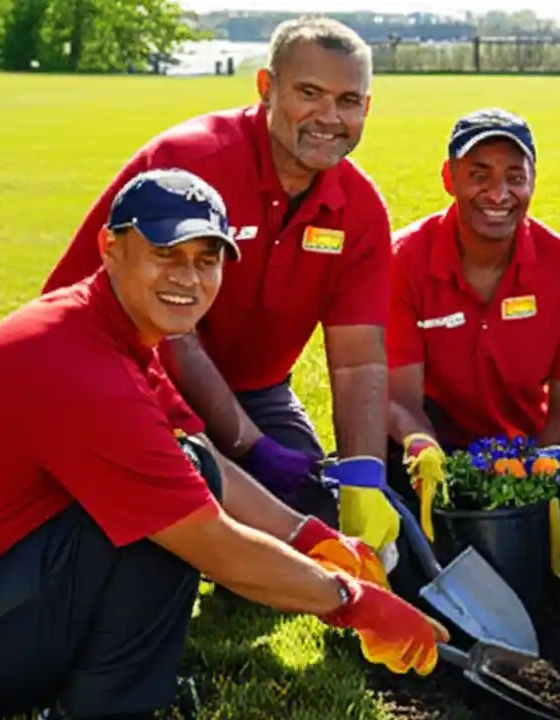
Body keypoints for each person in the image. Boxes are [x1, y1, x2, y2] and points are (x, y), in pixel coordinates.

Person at [0, 169, 447, 720]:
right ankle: (99, 708)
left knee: (190, 469)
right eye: (166, 253)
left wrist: (312, 536)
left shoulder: (107, 326)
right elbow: (216, 546)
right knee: (169, 512)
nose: (188, 277)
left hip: (12, 573)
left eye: (207, 259)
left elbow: (206, 454)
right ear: (111, 247)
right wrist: (353, 603)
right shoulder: (79, 367)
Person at [40, 16, 400, 563]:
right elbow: (164, 329)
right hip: (118, 369)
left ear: (367, 110)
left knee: (309, 509)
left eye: (348, 100)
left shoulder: (362, 210)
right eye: (309, 93)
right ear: (266, 88)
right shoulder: (191, 163)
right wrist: (246, 445)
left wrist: (363, 478)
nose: (330, 117)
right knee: (178, 495)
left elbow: (358, 363)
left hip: (254, 386)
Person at [386, 108, 560, 512]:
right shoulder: (402, 259)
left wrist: (544, 465)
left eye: (515, 177)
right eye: (479, 175)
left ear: (533, 182)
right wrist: (423, 449)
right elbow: (398, 398)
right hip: (428, 442)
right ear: (448, 178)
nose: (498, 194)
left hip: (524, 450)